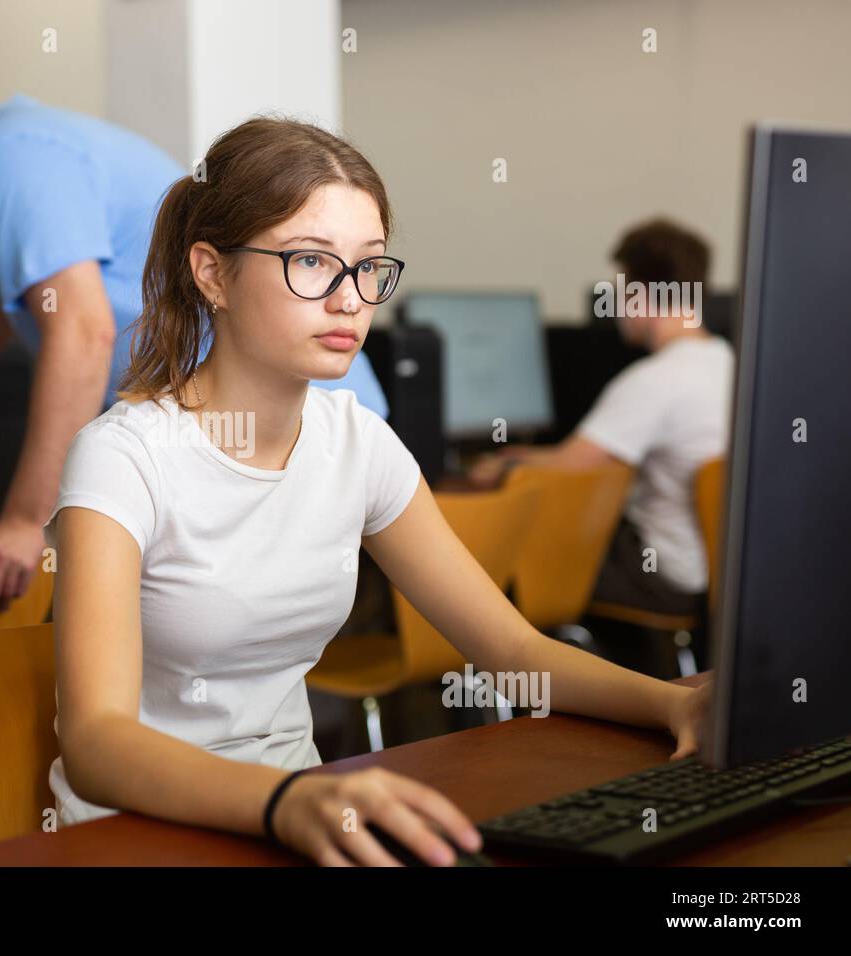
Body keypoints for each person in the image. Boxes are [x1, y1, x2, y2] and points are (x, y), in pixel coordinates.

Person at [42, 119, 711, 866]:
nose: (350, 300)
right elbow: (96, 742)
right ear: (212, 273)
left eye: (368, 268)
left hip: (302, 817)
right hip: (143, 831)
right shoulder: (124, 458)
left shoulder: (356, 442)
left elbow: (511, 648)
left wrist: (673, 702)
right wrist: (283, 800)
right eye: (311, 262)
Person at [0, 4, 389, 616]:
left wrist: (24, 520)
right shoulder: (14, 161)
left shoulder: (12, 159)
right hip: (264, 426)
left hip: (288, 426)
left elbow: (84, 333)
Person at [469, 218, 733, 616]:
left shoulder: (655, 380)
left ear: (643, 294)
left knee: (506, 563)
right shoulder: (727, 361)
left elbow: (568, 465)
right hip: (718, 570)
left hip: (664, 576)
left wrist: (503, 460)